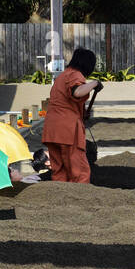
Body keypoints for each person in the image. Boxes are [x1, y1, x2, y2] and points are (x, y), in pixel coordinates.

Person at [43, 48, 102, 183]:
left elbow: (67, 100)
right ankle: (80, 199)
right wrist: (95, 83)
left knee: (59, 170)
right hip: (67, 131)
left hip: (52, 130)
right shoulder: (75, 75)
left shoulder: (62, 76)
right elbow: (77, 92)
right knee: (79, 170)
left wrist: (82, 113)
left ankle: (60, 197)